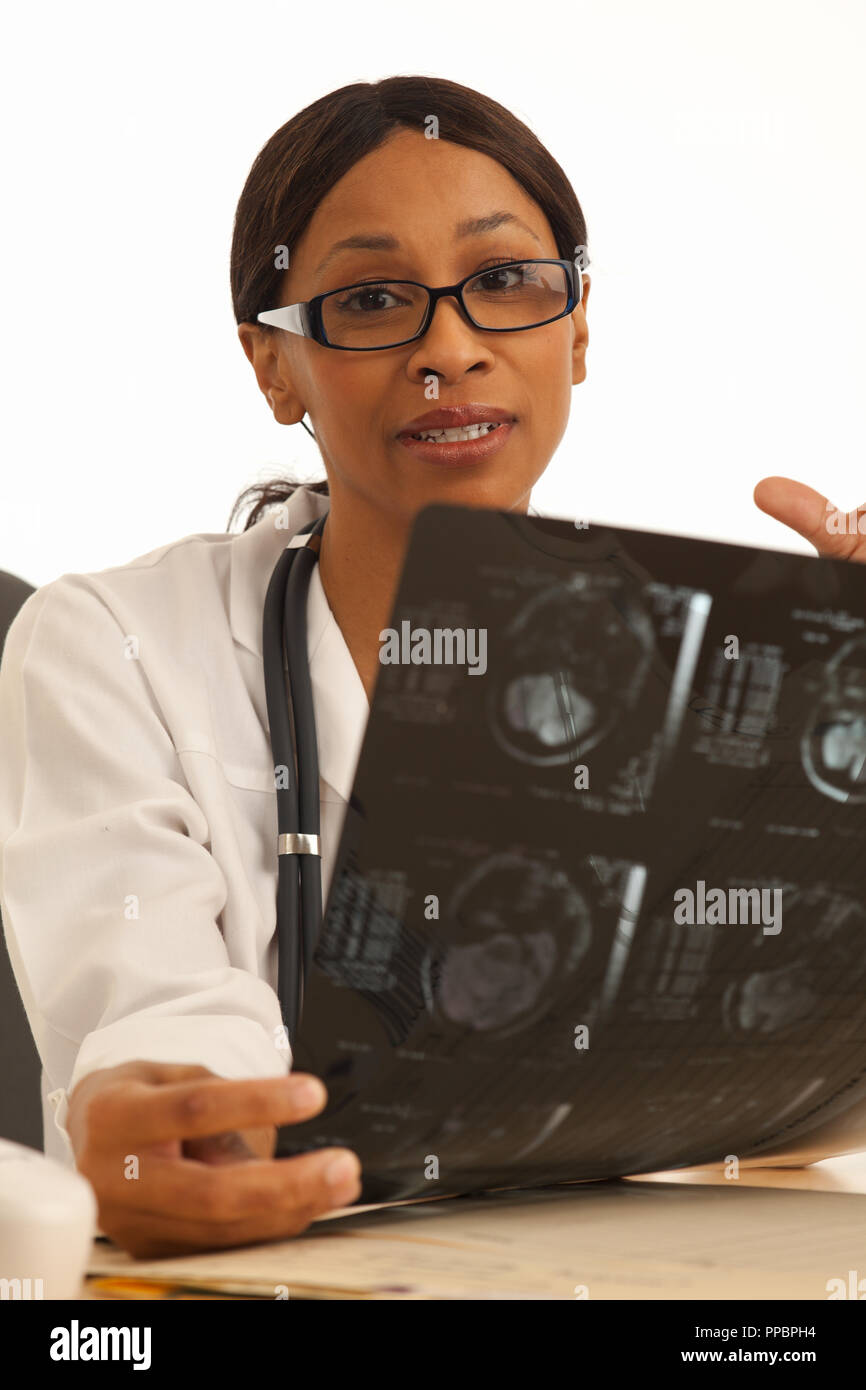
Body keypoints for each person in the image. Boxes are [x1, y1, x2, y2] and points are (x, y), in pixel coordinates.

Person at [0, 75, 860, 1261]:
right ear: (273, 365)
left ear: (577, 326)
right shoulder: (117, 644)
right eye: (369, 300)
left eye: (504, 280)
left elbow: (774, 1094)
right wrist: (181, 1127)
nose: (449, 349)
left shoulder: (713, 683)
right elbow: (165, 1039)